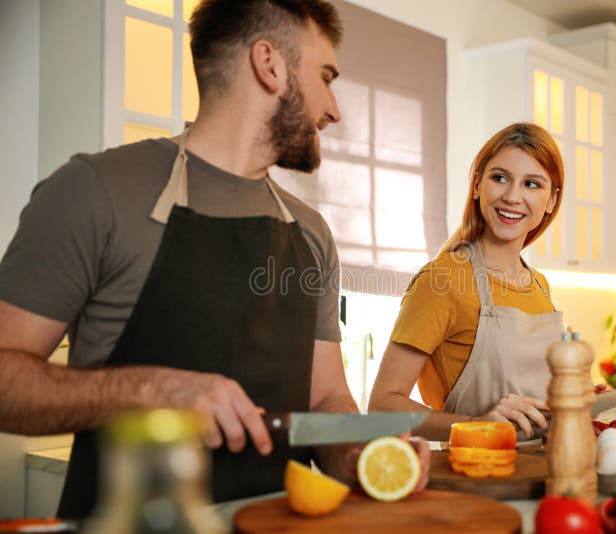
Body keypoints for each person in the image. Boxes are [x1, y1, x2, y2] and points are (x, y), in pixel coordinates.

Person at [0, 0, 427, 518]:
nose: (334, 109)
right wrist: (148, 389)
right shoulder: (94, 191)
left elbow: (324, 400)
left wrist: (358, 450)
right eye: (326, 76)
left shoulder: (310, 233)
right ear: (270, 65)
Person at [369, 122, 565, 442]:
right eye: (499, 178)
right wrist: (477, 424)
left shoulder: (539, 285)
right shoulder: (442, 281)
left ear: (551, 201)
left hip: (543, 469)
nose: (513, 196)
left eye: (532, 183)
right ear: (477, 186)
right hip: (475, 470)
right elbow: (382, 406)